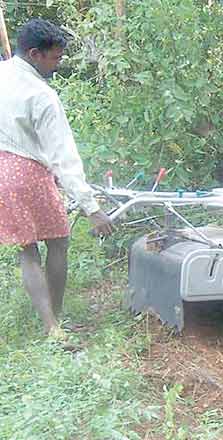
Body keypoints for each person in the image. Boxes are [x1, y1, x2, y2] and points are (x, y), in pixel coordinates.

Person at [0, 19, 114, 339]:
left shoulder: (2, 72)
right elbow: (63, 156)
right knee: (59, 243)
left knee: (27, 250)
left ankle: (50, 325)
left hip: (2, 174)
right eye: (56, 57)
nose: (59, 63)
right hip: (28, 174)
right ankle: (55, 324)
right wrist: (92, 208)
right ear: (35, 54)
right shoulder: (42, 95)